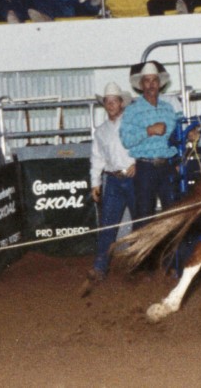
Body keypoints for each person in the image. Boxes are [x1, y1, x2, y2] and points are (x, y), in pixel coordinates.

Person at [120, 61, 179, 230]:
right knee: (144, 217)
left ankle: (172, 256)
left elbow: (175, 137)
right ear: (141, 85)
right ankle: (144, 257)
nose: (151, 85)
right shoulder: (132, 110)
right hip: (145, 167)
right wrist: (149, 130)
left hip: (167, 165)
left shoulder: (168, 109)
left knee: (173, 214)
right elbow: (126, 140)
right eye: (147, 81)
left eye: (155, 80)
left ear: (160, 84)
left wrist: (188, 135)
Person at [86, 81, 136, 282]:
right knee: (108, 224)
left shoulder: (131, 125)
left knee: (140, 221)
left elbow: (143, 145)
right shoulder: (100, 131)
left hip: (133, 177)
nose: (111, 104)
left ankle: (140, 265)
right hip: (113, 180)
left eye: (114, 101)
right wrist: (95, 183)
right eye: (107, 101)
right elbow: (97, 158)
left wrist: (137, 163)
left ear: (121, 103)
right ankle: (100, 267)